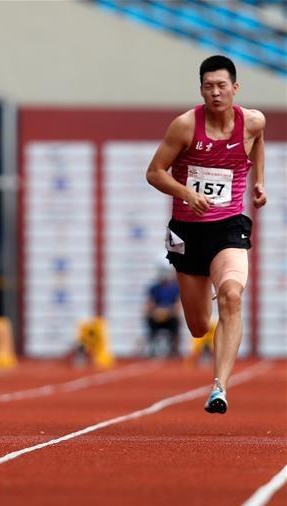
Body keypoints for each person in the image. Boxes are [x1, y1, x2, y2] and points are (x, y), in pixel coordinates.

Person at [146, 55, 266, 415]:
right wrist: (187, 193)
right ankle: (214, 323)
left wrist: (259, 181)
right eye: (209, 87)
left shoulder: (253, 120)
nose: (216, 92)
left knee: (231, 296)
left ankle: (219, 387)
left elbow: (257, 140)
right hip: (188, 232)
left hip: (229, 227)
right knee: (198, 327)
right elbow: (154, 173)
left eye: (222, 86)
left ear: (235, 88)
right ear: (201, 90)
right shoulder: (185, 126)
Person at [144, 262, 181, 358]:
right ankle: (151, 348)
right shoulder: (154, 288)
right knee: (149, 319)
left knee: (176, 321)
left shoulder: (175, 288)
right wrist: (156, 311)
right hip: (157, 317)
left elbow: (177, 305)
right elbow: (149, 304)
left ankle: (174, 350)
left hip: (170, 317)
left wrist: (167, 312)